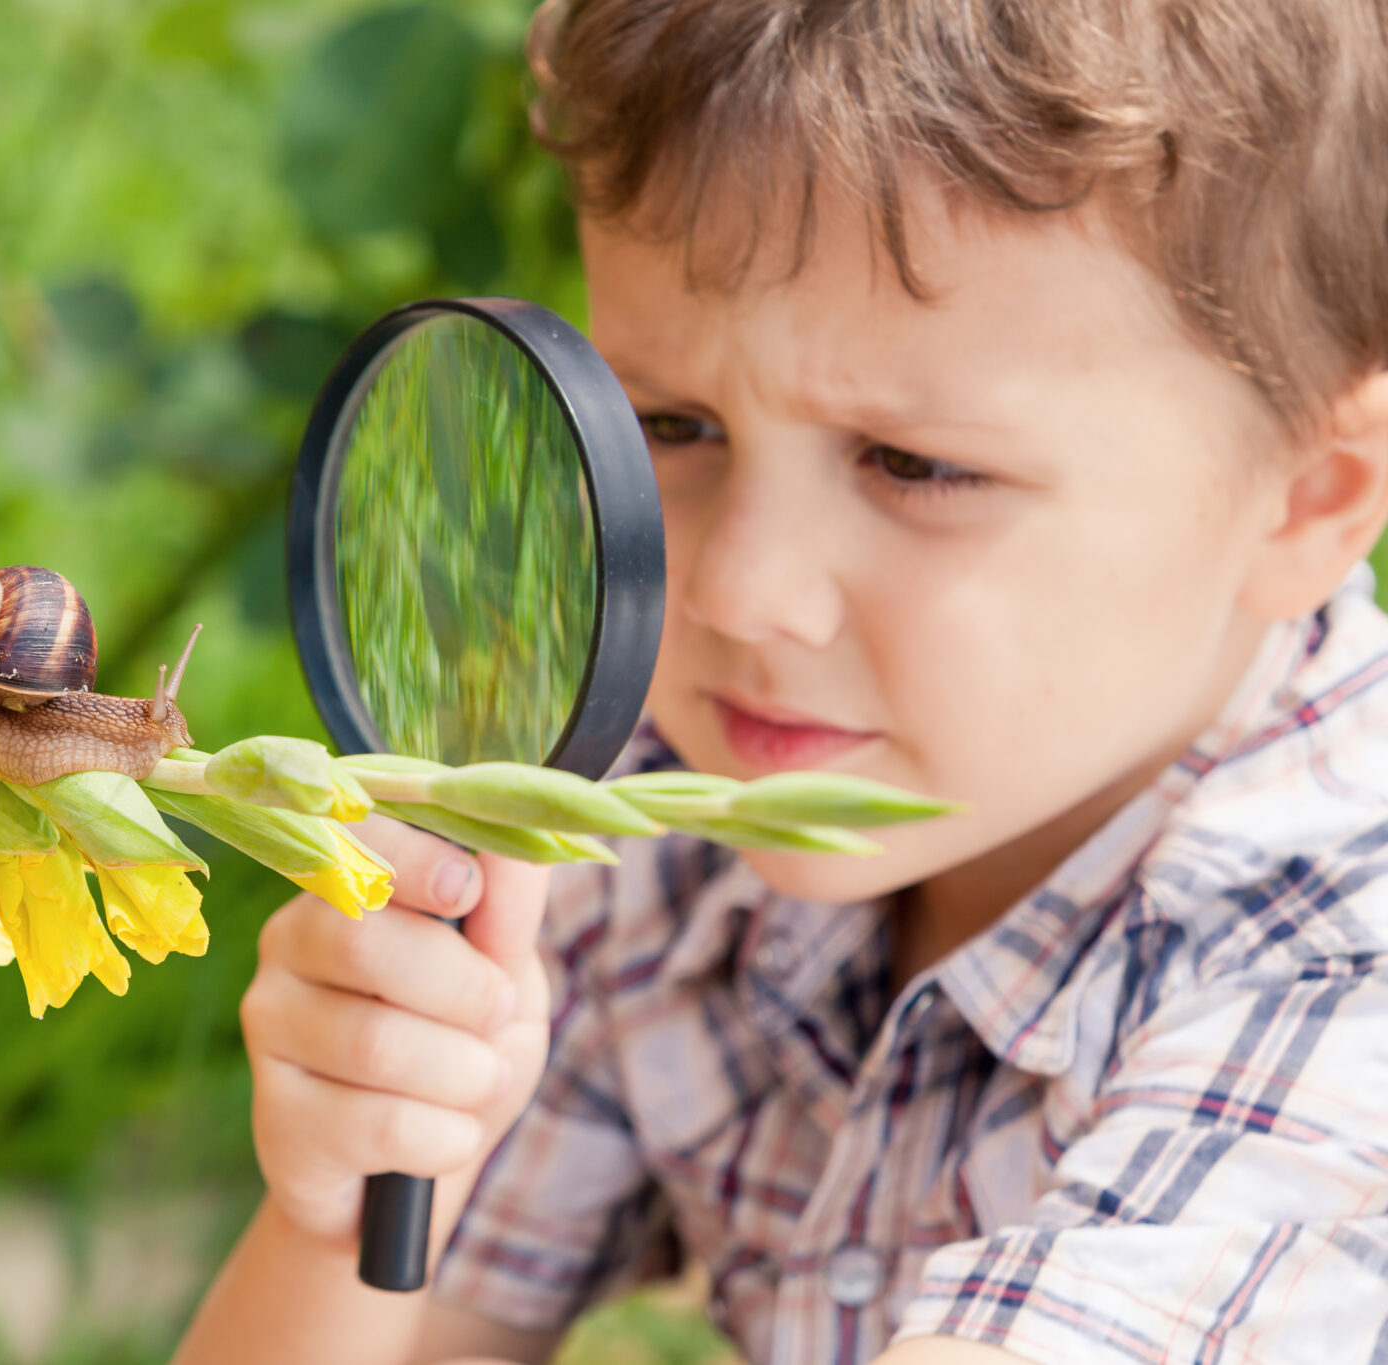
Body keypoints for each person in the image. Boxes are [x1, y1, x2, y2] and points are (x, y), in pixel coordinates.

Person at [172, 0, 1388, 1360]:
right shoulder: (658, 820)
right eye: (673, 426)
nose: (740, 589)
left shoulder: (1345, 1006)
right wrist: (352, 1203)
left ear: (1306, 501)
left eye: (915, 464)